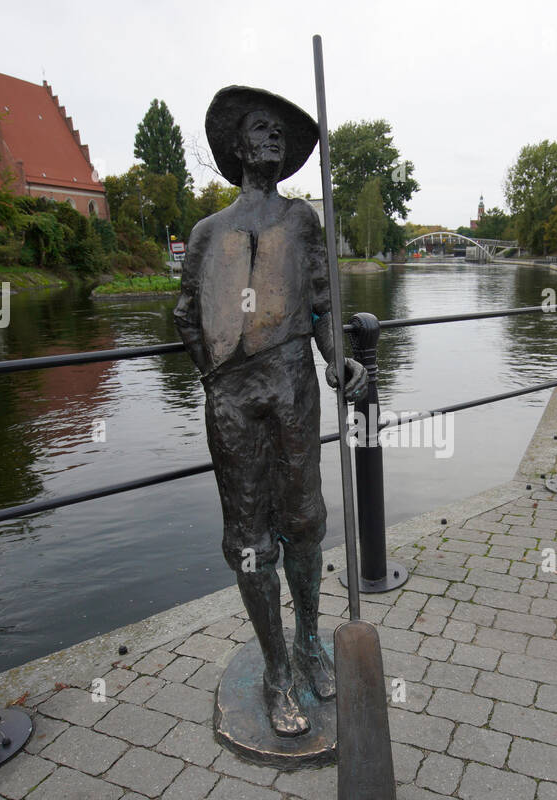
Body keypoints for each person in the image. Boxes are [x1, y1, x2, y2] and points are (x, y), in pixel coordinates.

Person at [173, 86, 367, 737]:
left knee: (305, 522)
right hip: (232, 401)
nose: (273, 138)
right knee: (249, 540)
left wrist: (337, 357)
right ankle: (276, 668)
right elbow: (184, 315)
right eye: (261, 128)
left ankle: (310, 643)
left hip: (292, 390)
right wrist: (213, 377)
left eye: (281, 132)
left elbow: (324, 305)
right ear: (237, 145)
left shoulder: (302, 221)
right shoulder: (207, 233)